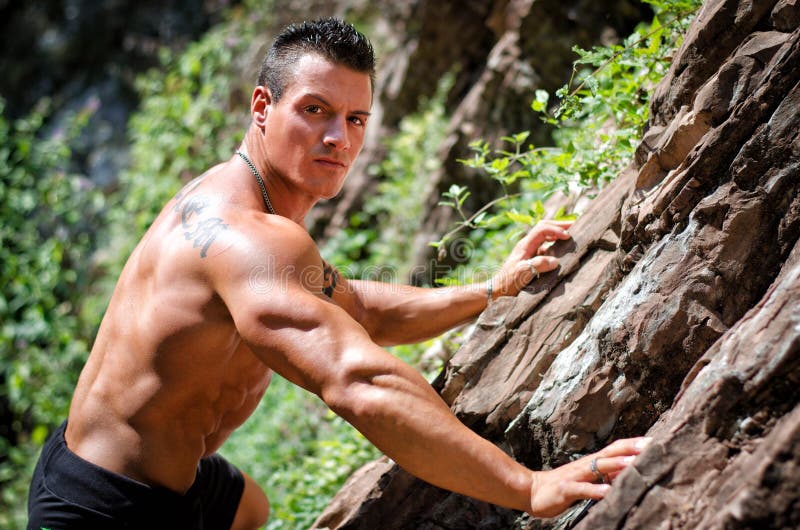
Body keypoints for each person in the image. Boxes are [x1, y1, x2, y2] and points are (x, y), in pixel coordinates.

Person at [27, 17, 650, 529]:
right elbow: (357, 379)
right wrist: (527, 485)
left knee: (249, 507)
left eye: (355, 119)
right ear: (263, 106)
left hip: (158, 476)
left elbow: (360, 310)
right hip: (102, 510)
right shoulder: (243, 238)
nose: (338, 139)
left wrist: (489, 290)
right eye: (316, 110)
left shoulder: (262, 217)